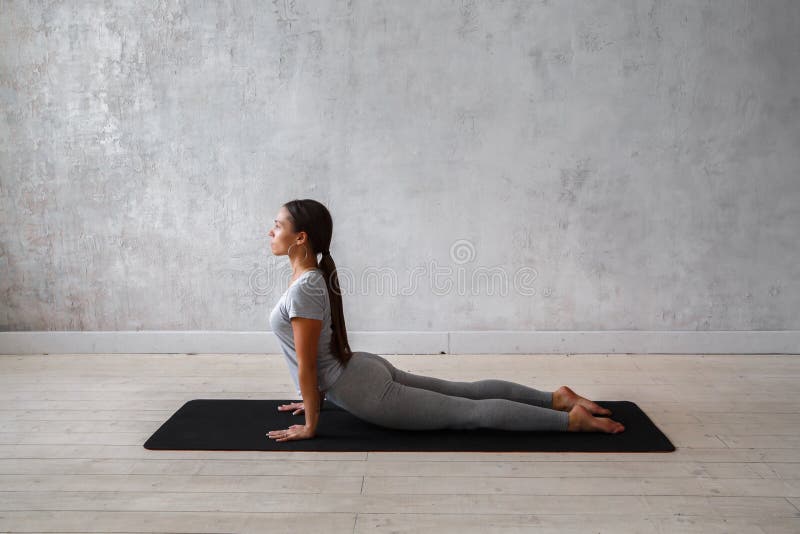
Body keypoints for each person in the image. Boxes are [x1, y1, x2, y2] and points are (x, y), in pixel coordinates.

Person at [267, 199, 625, 442]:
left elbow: (308, 365)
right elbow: (315, 357)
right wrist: (312, 397)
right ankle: (556, 398)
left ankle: (569, 420)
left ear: (300, 237)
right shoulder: (309, 279)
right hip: (360, 369)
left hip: (362, 388)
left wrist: (310, 424)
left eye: (278, 225)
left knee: (469, 411)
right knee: (465, 394)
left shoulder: (305, 286)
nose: (271, 231)